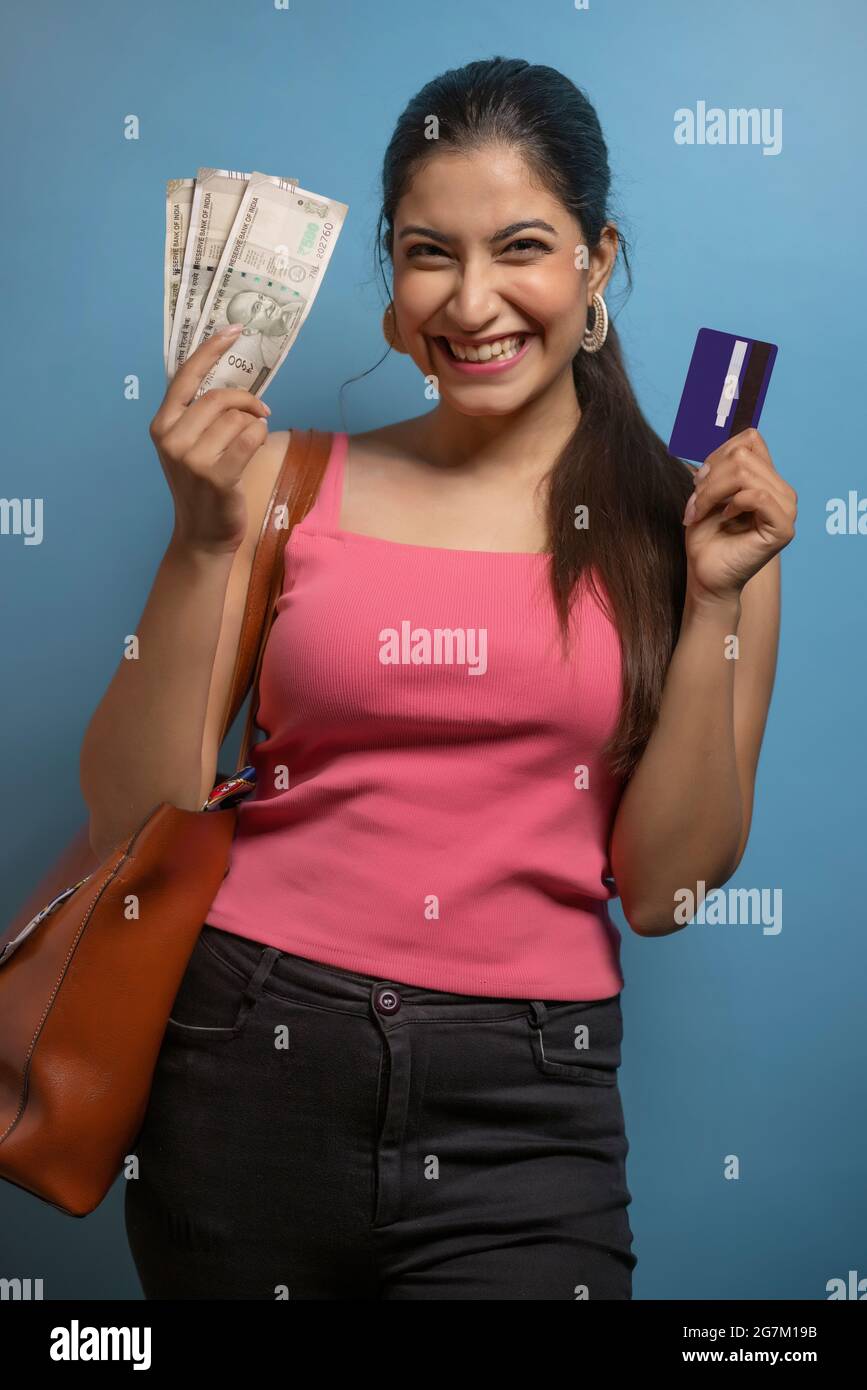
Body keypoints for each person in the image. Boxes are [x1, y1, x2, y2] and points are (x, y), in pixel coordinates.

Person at [80, 56, 796, 1300]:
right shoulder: (273, 484)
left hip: (530, 1096)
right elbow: (132, 813)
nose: (471, 303)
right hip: (248, 1053)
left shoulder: (696, 527)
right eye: (428, 254)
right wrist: (203, 542)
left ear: (597, 260)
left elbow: (667, 891)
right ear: (391, 276)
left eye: (520, 245)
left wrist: (717, 598)